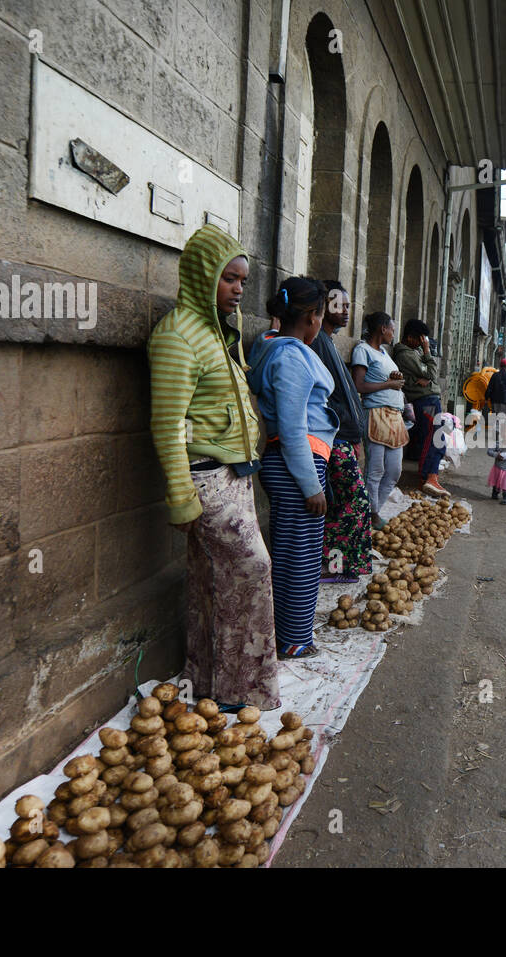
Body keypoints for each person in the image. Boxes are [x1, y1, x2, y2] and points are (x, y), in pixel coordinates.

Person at [147, 224, 278, 708]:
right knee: (252, 568)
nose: (239, 289)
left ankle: (207, 684)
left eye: (243, 280)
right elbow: (168, 424)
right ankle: (241, 690)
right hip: (205, 479)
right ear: (204, 276)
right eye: (230, 279)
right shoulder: (177, 336)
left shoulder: (221, 331)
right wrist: (181, 498)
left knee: (211, 581)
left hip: (235, 476)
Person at [248, 277, 339, 659]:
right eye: (322, 313)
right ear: (312, 317)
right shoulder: (291, 357)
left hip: (294, 465)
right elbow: (292, 428)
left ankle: (286, 633)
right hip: (296, 467)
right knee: (299, 559)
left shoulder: (271, 344)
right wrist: (310, 486)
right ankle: (295, 640)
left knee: (291, 553)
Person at [310, 280, 372, 583]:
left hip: (345, 437)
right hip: (334, 439)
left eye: (348, 306)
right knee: (354, 499)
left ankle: (342, 565)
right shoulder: (318, 341)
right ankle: (332, 566)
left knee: (349, 500)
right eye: (340, 305)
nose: (346, 311)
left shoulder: (329, 341)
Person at [351, 312, 408, 527]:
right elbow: (359, 386)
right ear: (383, 328)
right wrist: (388, 385)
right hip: (375, 413)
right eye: (392, 329)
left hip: (394, 416)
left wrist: (393, 379)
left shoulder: (384, 353)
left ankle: (374, 511)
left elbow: (386, 378)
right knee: (375, 471)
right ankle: (371, 515)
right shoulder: (363, 350)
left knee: (394, 471)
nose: (393, 333)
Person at [392, 319, 450, 497]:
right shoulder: (406, 354)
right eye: (421, 339)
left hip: (430, 398)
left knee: (437, 436)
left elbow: (429, 375)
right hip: (425, 401)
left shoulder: (414, 351)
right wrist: (426, 352)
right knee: (433, 437)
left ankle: (431, 475)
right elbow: (432, 373)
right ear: (410, 338)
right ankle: (428, 477)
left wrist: (426, 372)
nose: (423, 342)